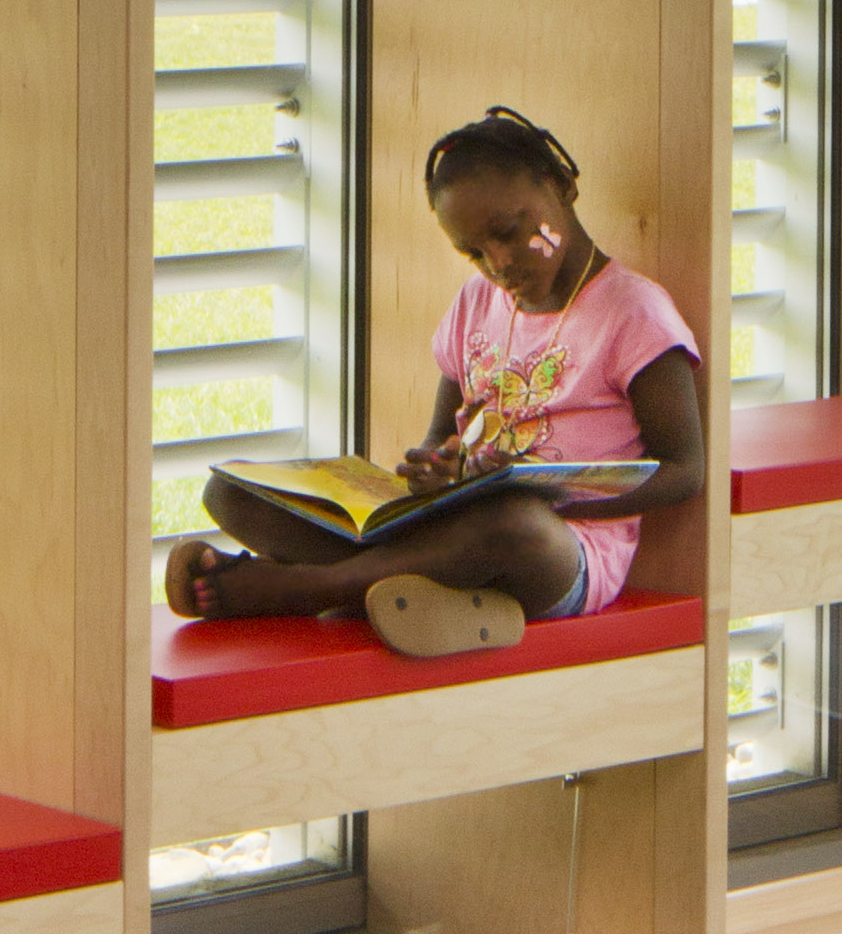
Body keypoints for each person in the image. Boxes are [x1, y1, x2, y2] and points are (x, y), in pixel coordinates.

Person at [162, 107, 705, 658]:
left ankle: (308, 589)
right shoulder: (476, 304)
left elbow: (685, 470)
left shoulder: (634, 313)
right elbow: (438, 440)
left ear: (560, 183)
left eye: (508, 232)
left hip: (557, 548)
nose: (498, 263)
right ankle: (424, 598)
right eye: (473, 252)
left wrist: (552, 497)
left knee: (514, 521)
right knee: (231, 491)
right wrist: (433, 471)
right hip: (444, 534)